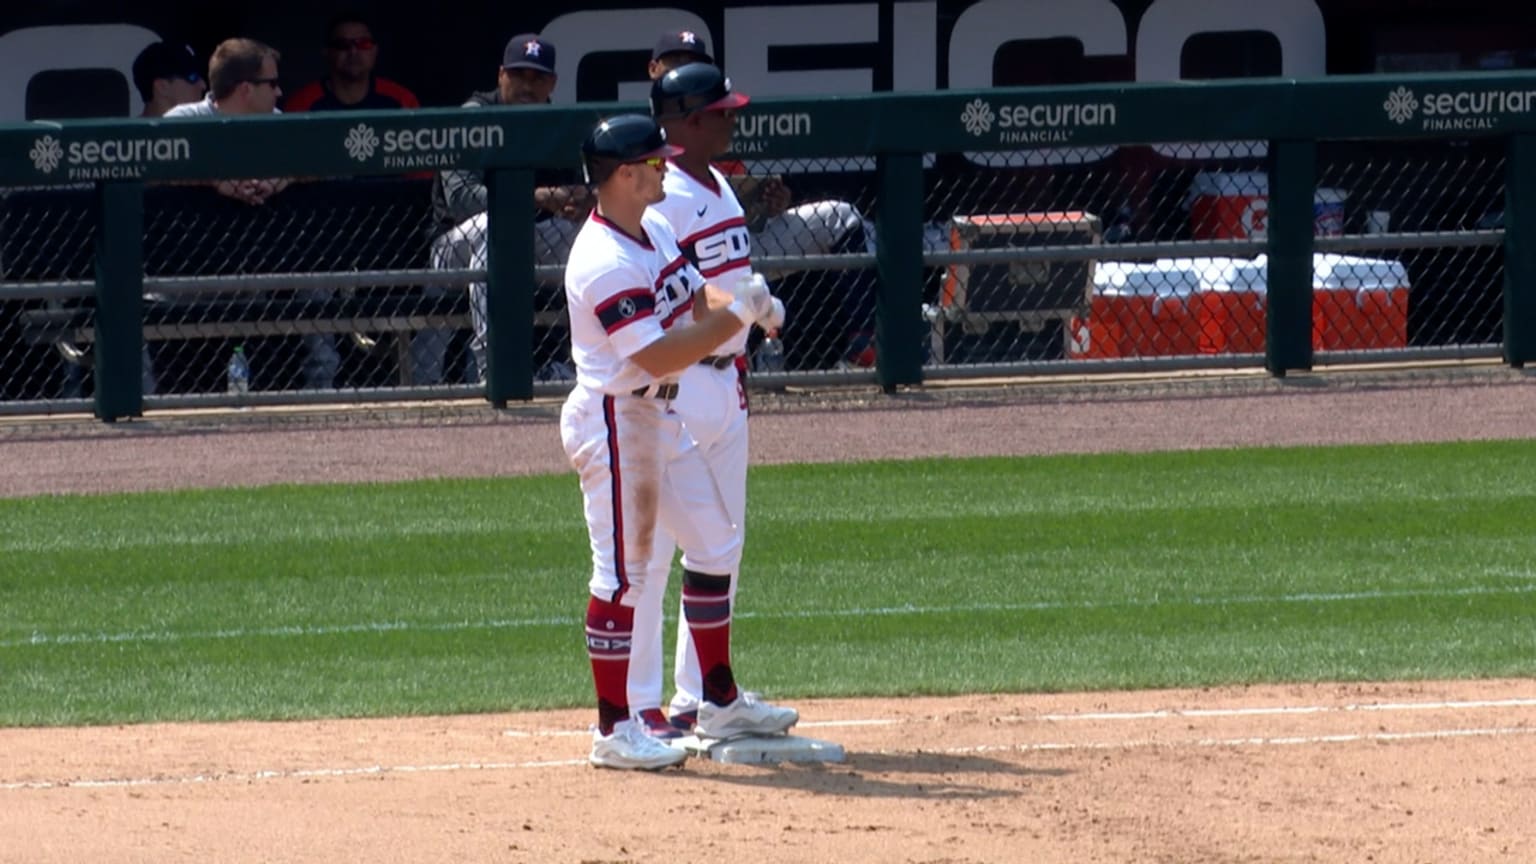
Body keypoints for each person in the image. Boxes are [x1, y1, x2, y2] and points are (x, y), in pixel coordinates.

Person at [561, 113, 795, 770]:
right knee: (622, 576)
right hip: (615, 423)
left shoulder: (653, 226)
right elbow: (660, 355)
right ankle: (614, 729)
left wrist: (746, 301)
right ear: (624, 174)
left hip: (658, 417)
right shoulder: (603, 261)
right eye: (654, 162)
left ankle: (717, 700)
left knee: (715, 542)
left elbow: (694, 300)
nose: (666, 166)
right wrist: (738, 313)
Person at [624, 61, 789, 740]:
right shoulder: (658, 199)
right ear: (688, 121)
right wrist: (739, 307)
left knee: (721, 545)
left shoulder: (720, 184)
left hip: (727, 378)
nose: (731, 120)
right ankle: (638, 704)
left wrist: (753, 313)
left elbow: (718, 283)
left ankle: (703, 698)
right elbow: (674, 297)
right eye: (721, 112)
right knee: (654, 552)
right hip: (680, 381)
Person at [647, 32, 876, 368]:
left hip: (739, 267)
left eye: (695, 63)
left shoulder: (717, 177)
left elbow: (732, 215)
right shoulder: (647, 164)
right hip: (687, 360)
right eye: (678, 61)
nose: (732, 119)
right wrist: (750, 307)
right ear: (654, 69)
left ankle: (862, 344)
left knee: (839, 217)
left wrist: (769, 204)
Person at [165, 39, 337, 391]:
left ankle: (321, 388)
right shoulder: (186, 119)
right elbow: (152, 171)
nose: (279, 92)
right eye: (271, 84)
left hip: (257, 277)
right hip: (187, 278)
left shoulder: (274, 122)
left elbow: (324, 160)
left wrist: (281, 178)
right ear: (245, 89)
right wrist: (216, 181)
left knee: (315, 279)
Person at [424, 33, 590, 385]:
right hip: (454, 247)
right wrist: (539, 198)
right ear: (501, 75)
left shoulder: (558, 123)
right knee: (494, 227)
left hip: (533, 241)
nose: (527, 86)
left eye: (537, 78)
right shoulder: (474, 116)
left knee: (592, 237)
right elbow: (463, 201)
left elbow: (580, 191)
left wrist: (583, 200)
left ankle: (586, 366)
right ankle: (494, 368)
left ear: (552, 83)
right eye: (518, 75)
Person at [283, 12, 420, 112]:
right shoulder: (300, 106)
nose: (353, 51)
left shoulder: (402, 101)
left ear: (375, 50)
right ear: (327, 52)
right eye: (342, 44)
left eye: (363, 44)